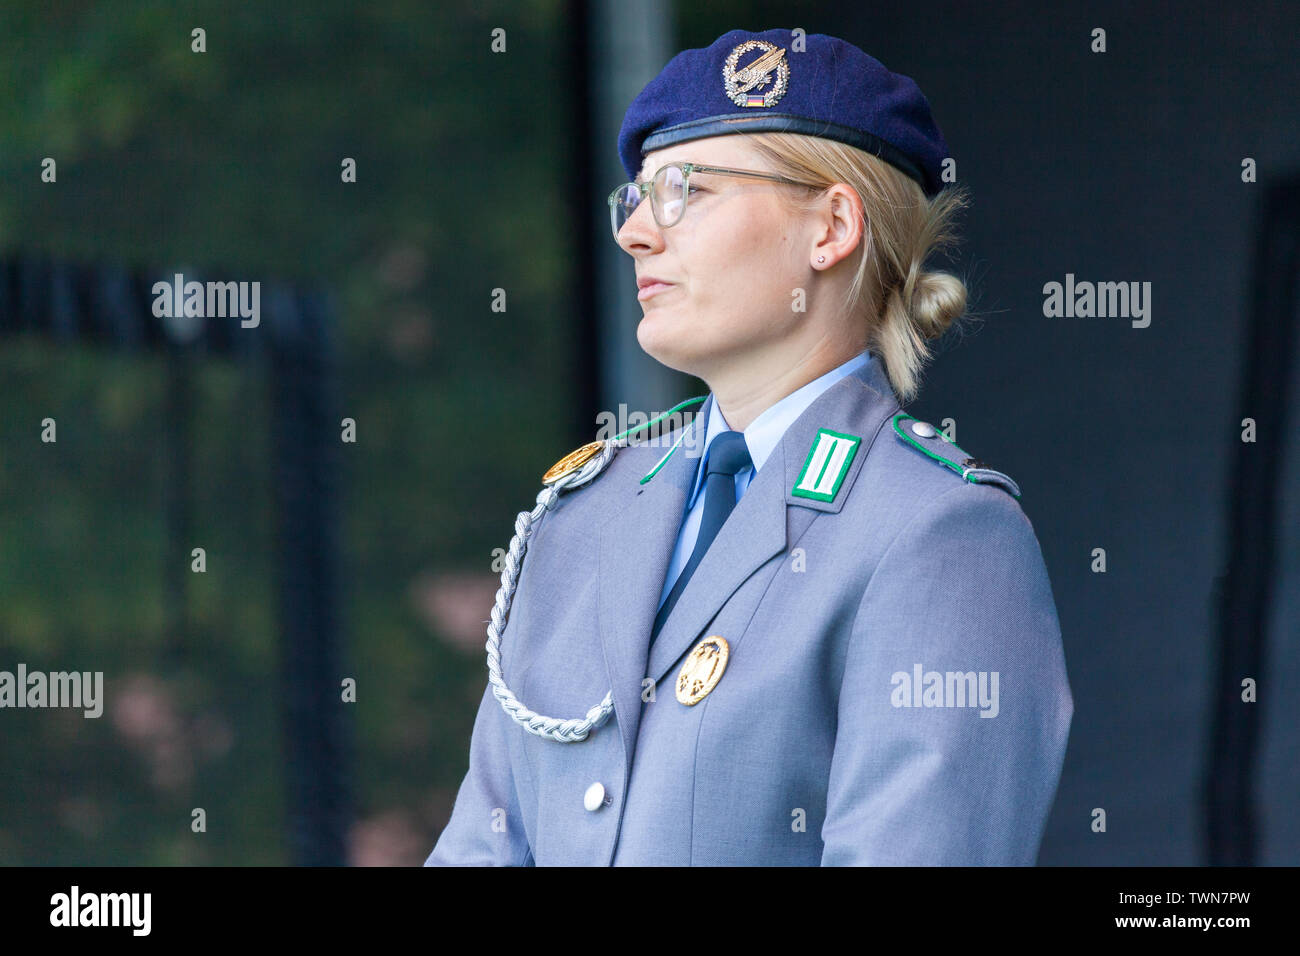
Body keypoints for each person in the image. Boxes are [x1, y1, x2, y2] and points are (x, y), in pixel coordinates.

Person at [425, 27, 1073, 866]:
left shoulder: (939, 535)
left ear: (832, 226)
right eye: (636, 198)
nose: (635, 235)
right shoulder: (574, 521)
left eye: (685, 190)